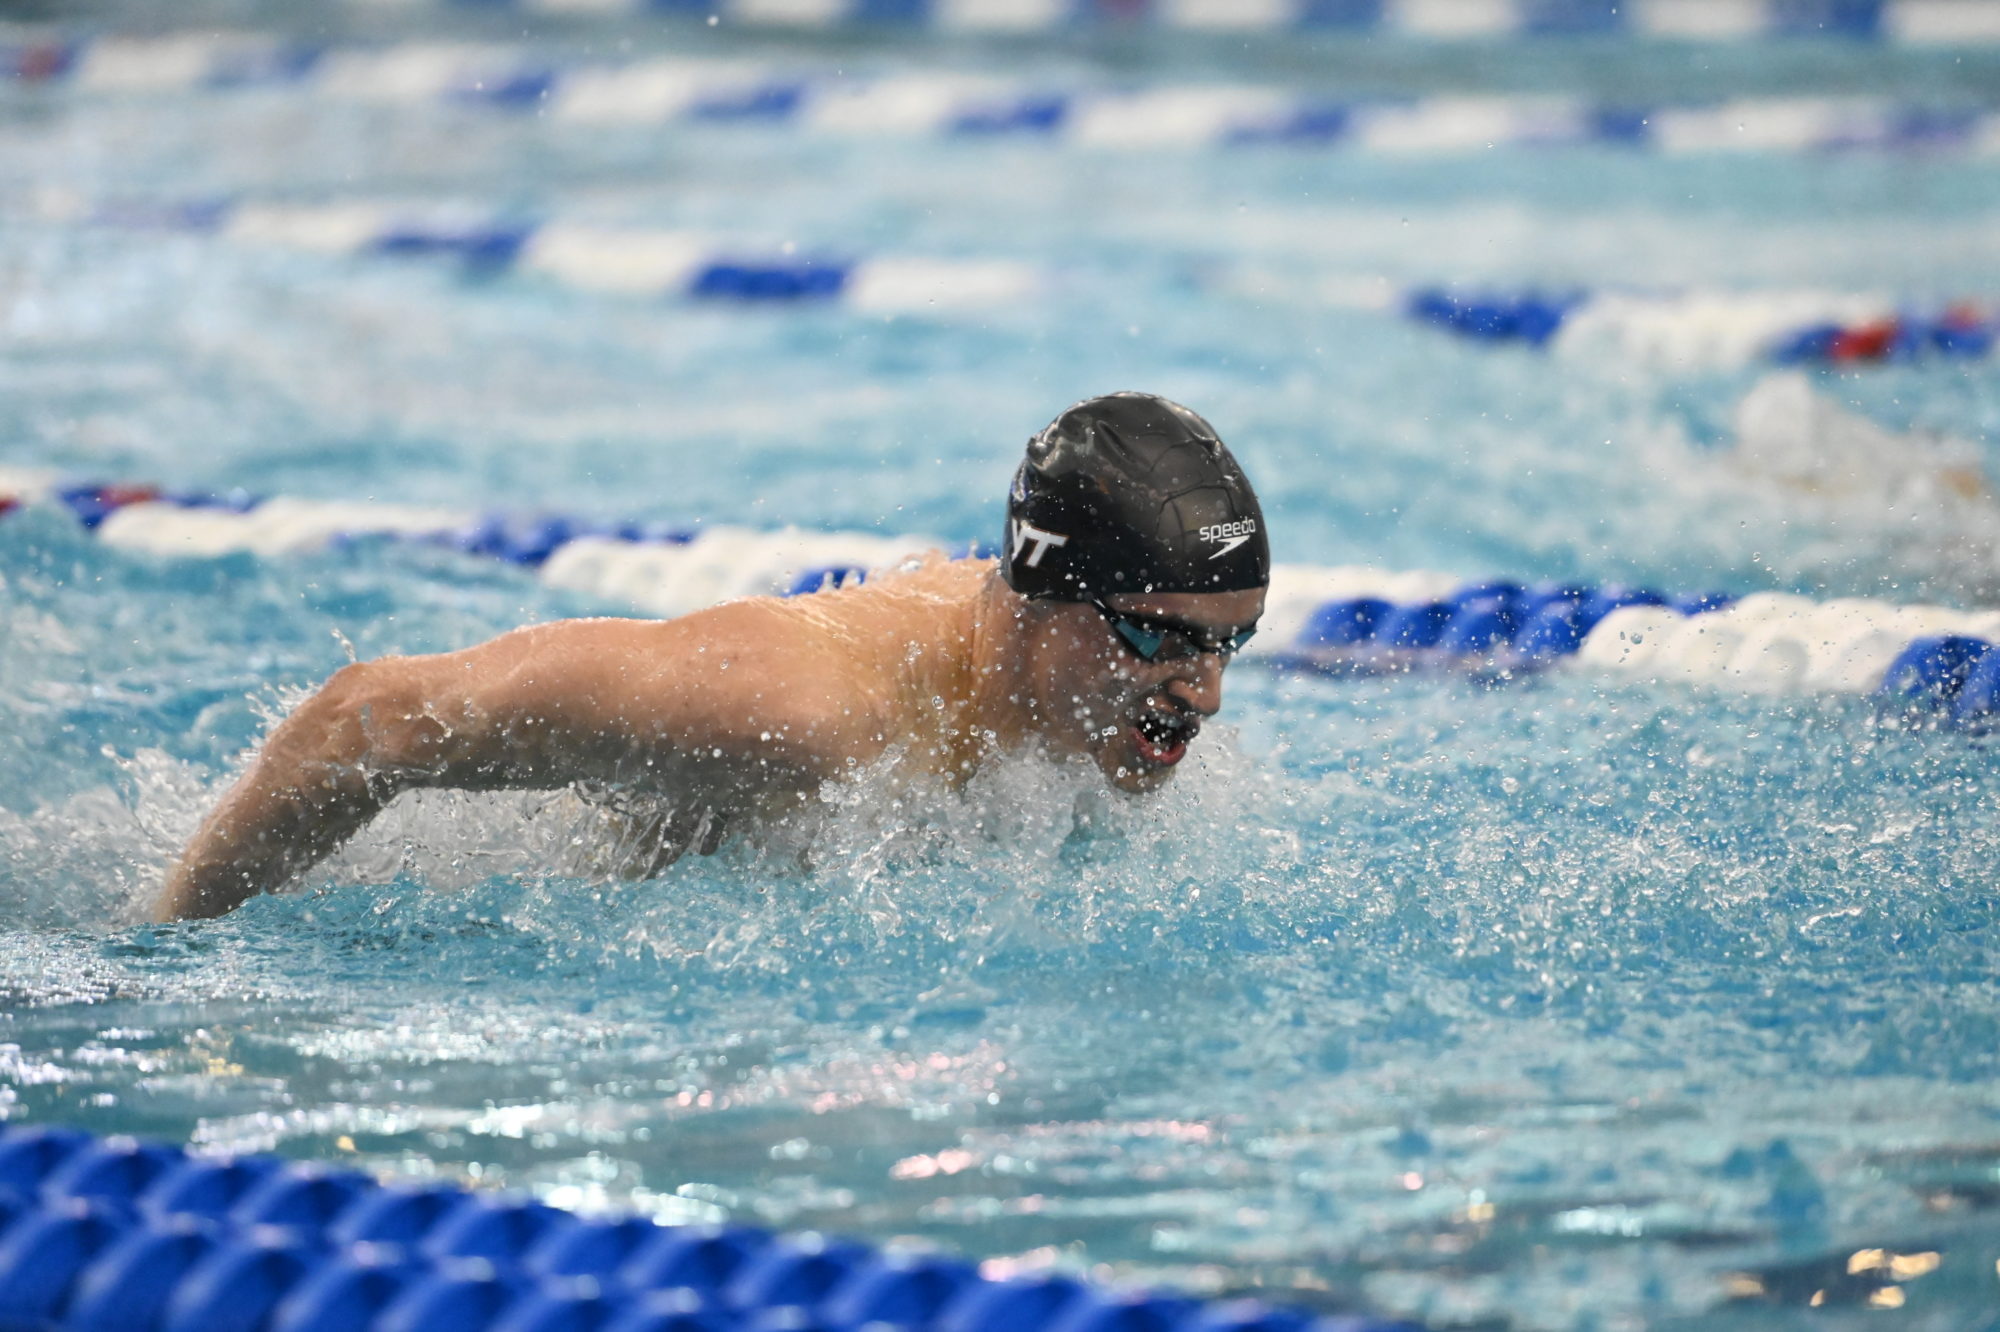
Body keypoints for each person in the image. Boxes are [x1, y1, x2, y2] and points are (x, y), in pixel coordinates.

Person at [155, 392, 1270, 921]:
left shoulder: (1075, 702)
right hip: (506, 889)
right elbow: (367, 717)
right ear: (1036, 595)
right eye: (1156, 637)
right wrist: (167, 952)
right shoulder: (803, 714)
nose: (1202, 694)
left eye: (1229, 645)